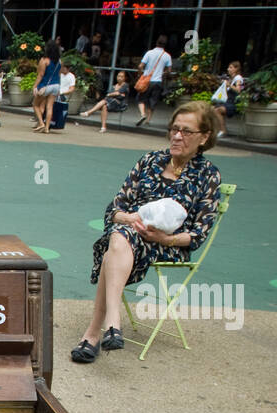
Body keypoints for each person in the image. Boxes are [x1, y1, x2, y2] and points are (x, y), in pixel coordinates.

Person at [71, 101, 222, 364]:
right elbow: (113, 211)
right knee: (119, 235)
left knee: (116, 244)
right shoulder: (150, 161)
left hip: (167, 245)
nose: (177, 136)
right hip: (129, 236)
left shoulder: (208, 176)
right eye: (174, 129)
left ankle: (96, 331)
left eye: (187, 131)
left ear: (204, 136)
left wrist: (164, 238)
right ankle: (110, 325)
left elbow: (197, 234)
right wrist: (129, 218)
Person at [135, 36, 172, 127]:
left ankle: (142, 114)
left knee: (141, 99)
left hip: (147, 80)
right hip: (158, 81)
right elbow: (169, 70)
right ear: (165, 45)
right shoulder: (167, 55)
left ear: (156, 43)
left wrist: (140, 74)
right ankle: (148, 120)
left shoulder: (149, 53)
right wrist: (163, 73)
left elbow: (140, 66)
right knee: (153, 101)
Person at [32, 42, 61, 133]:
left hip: (45, 85)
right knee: (49, 107)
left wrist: (35, 86)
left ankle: (41, 123)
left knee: (35, 104)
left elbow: (40, 75)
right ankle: (47, 128)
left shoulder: (44, 60)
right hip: (56, 85)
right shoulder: (59, 61)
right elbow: (59, 74)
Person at [213, 61, 244, 135]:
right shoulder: (231, 79)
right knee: (211, 109)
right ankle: (216, 129)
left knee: (218, 110)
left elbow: (238, 90)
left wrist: (229, 85)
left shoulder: (238, 78)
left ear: (236, 69)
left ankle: (223, 130)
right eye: (228, 67)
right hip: (227, 102)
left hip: (234, 104)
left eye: (231, 67)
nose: (228, 69)